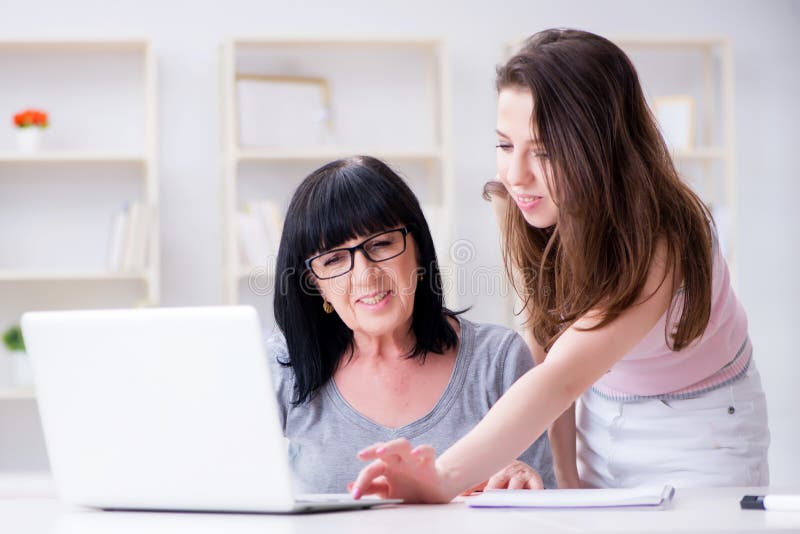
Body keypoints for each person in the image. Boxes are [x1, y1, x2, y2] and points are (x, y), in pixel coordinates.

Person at [350, 28, 769, 502]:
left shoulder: (661, 239)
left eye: (544, 151)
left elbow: (562, 376)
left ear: (601, 148)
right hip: (601, 407)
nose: (516, 174)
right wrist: (564, 477)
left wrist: (442, 477)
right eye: (506, 145)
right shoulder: (525, 202)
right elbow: (547, 345)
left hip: (701, 431)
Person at [268, 155, 556, 493]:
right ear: (314, 283)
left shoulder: (497, 361)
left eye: (381, 244)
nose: (366, 276)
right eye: (334, 259)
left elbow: (542, 513)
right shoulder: (282, 368)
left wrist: (521, 481)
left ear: (418, 250)